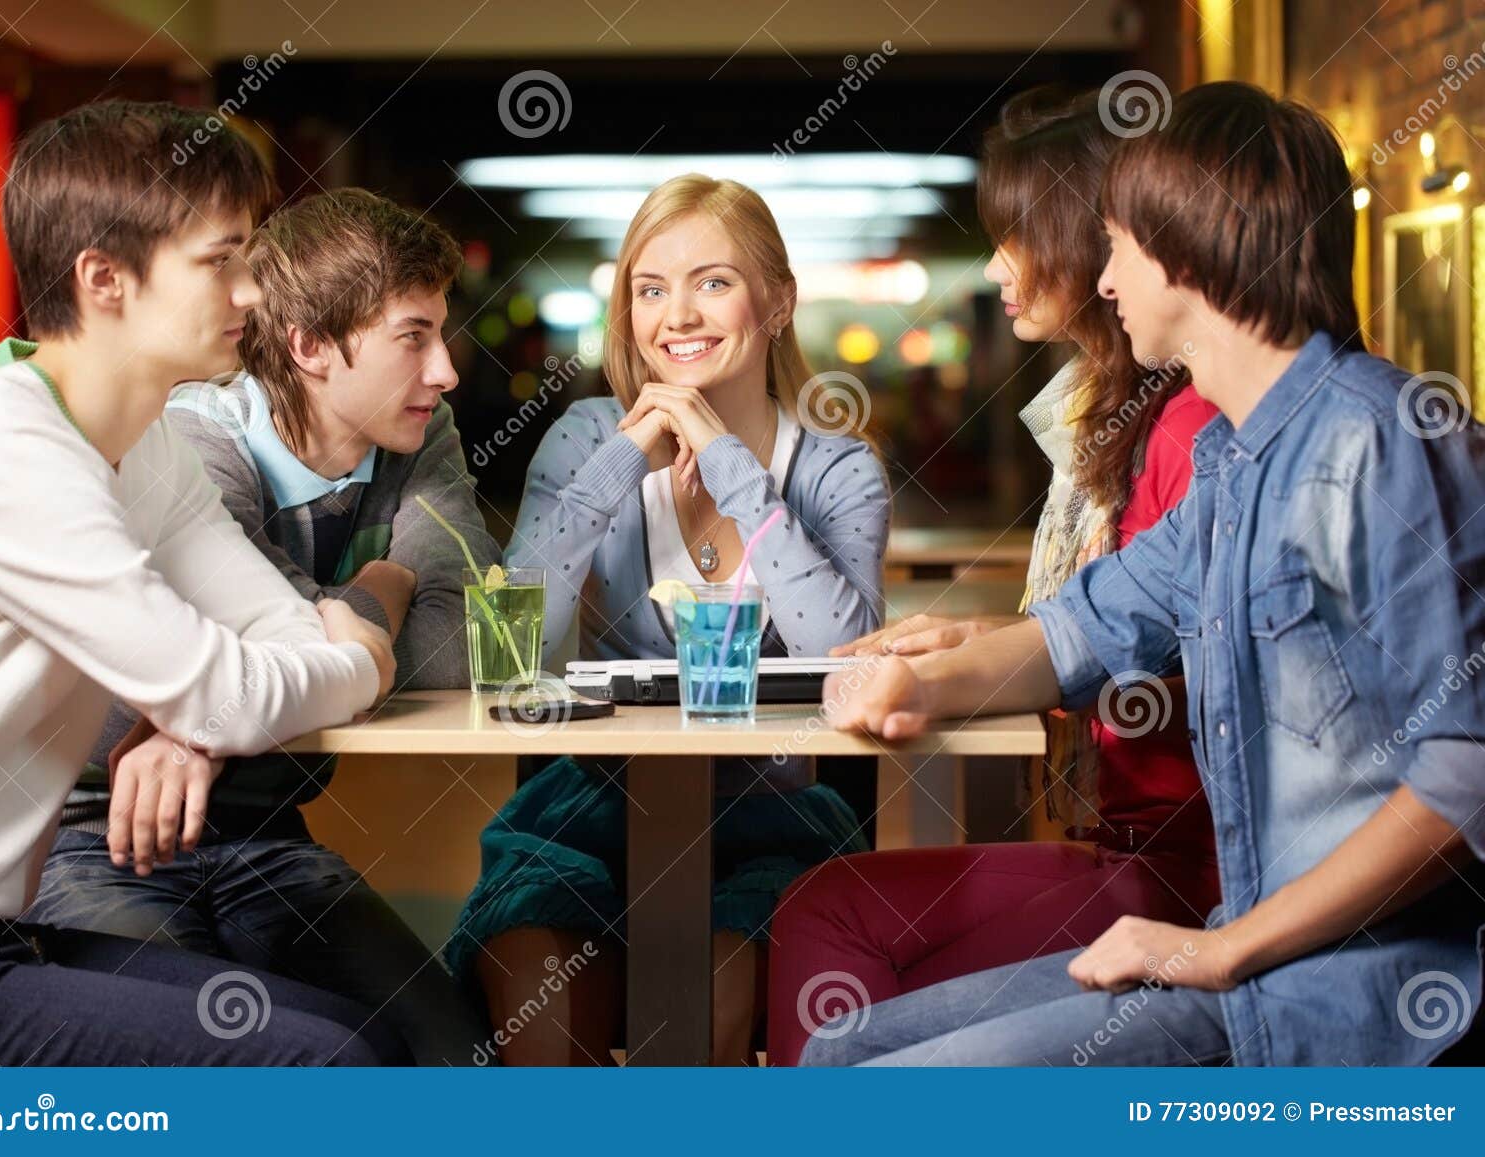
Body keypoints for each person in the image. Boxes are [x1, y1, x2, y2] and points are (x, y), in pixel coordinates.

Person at [811, 82, 1485, 1067]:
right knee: (838, 1055)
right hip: (1250, 971)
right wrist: (918, 683)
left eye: (1120, 243)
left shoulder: (1374, 443)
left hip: (1352, 1013)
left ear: (1190, 247)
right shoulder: (1229, 467)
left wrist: (1220, 948)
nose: (1108, 277)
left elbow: (1466, 779)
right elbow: (1086, 626)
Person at [0, 101, 409, 1065]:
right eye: (221, 260)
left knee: (364, 1034)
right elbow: (229, 686)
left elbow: (273, 636)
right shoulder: (11, 452)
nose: (254, 290)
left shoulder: (144, 441)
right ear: (105, 280)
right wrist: (366, 653)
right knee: (326, 1067)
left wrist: (229, 693)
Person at [767, 88, 1220, 1067]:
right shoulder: (1122, 418)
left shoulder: (1185, 432)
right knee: (820, 910)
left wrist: (966, 665)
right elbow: (1108, 619)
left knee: (832, 935)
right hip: (1143, 846)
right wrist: (972, 645)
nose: (996, 265)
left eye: (1015, 235)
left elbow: (1143, 647)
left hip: (1184, 874)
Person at [25, 188, 497, 1064]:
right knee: (250, 1064)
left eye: (441, 332)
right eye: (412, 337)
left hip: (267, 836)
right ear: (310, 346)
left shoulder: (418, 434)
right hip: (93, 837)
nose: (446, 371)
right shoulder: (196, 439)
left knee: (453, 1060)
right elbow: (284, 661)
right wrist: (390, 582)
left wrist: (344, 629)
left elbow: (465, 649)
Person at [448, 175, 892, 1065]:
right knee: (536, 984)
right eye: (650, 289)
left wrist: (730, 464)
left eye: (713, 282)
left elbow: (845, 654)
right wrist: (622, 462)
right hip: (587, 813)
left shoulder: (838, 469)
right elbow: (513, 638)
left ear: (778, 301)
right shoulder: (586, 439)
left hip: (777, 816)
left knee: (712, 1004)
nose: (676, 315)